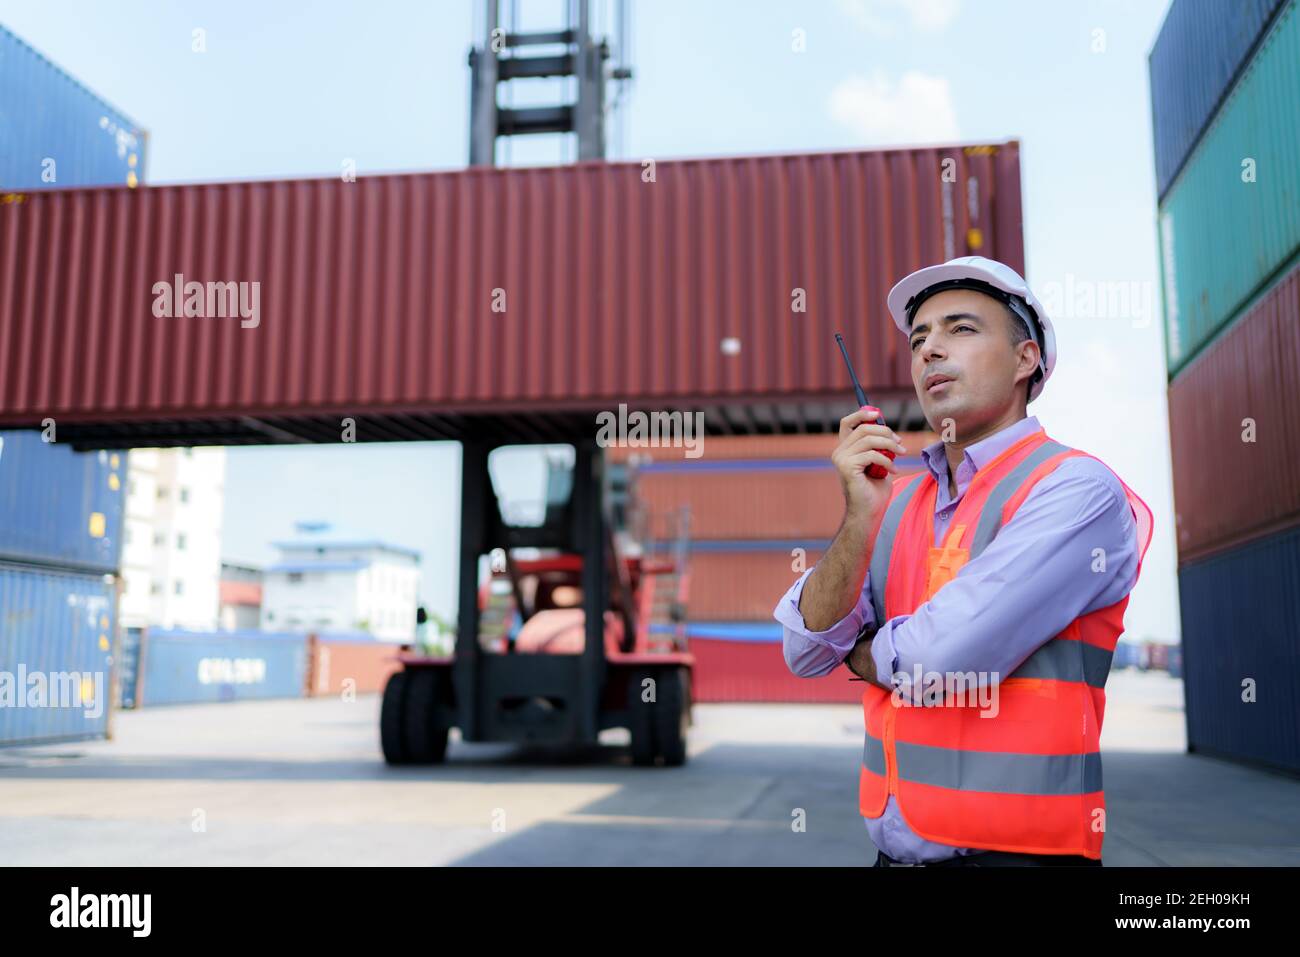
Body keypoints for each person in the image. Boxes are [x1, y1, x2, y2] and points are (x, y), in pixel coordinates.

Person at [773, 256, 1153, 866]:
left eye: (961, 329)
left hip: (1021, 858)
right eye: (919, 338)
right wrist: (859, 517)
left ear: (1026, 359)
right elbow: (804, 650)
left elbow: (934, 661)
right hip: (893, 858)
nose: (929, 351)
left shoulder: (1074, 490)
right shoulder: (892, 502)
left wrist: (861, 646)